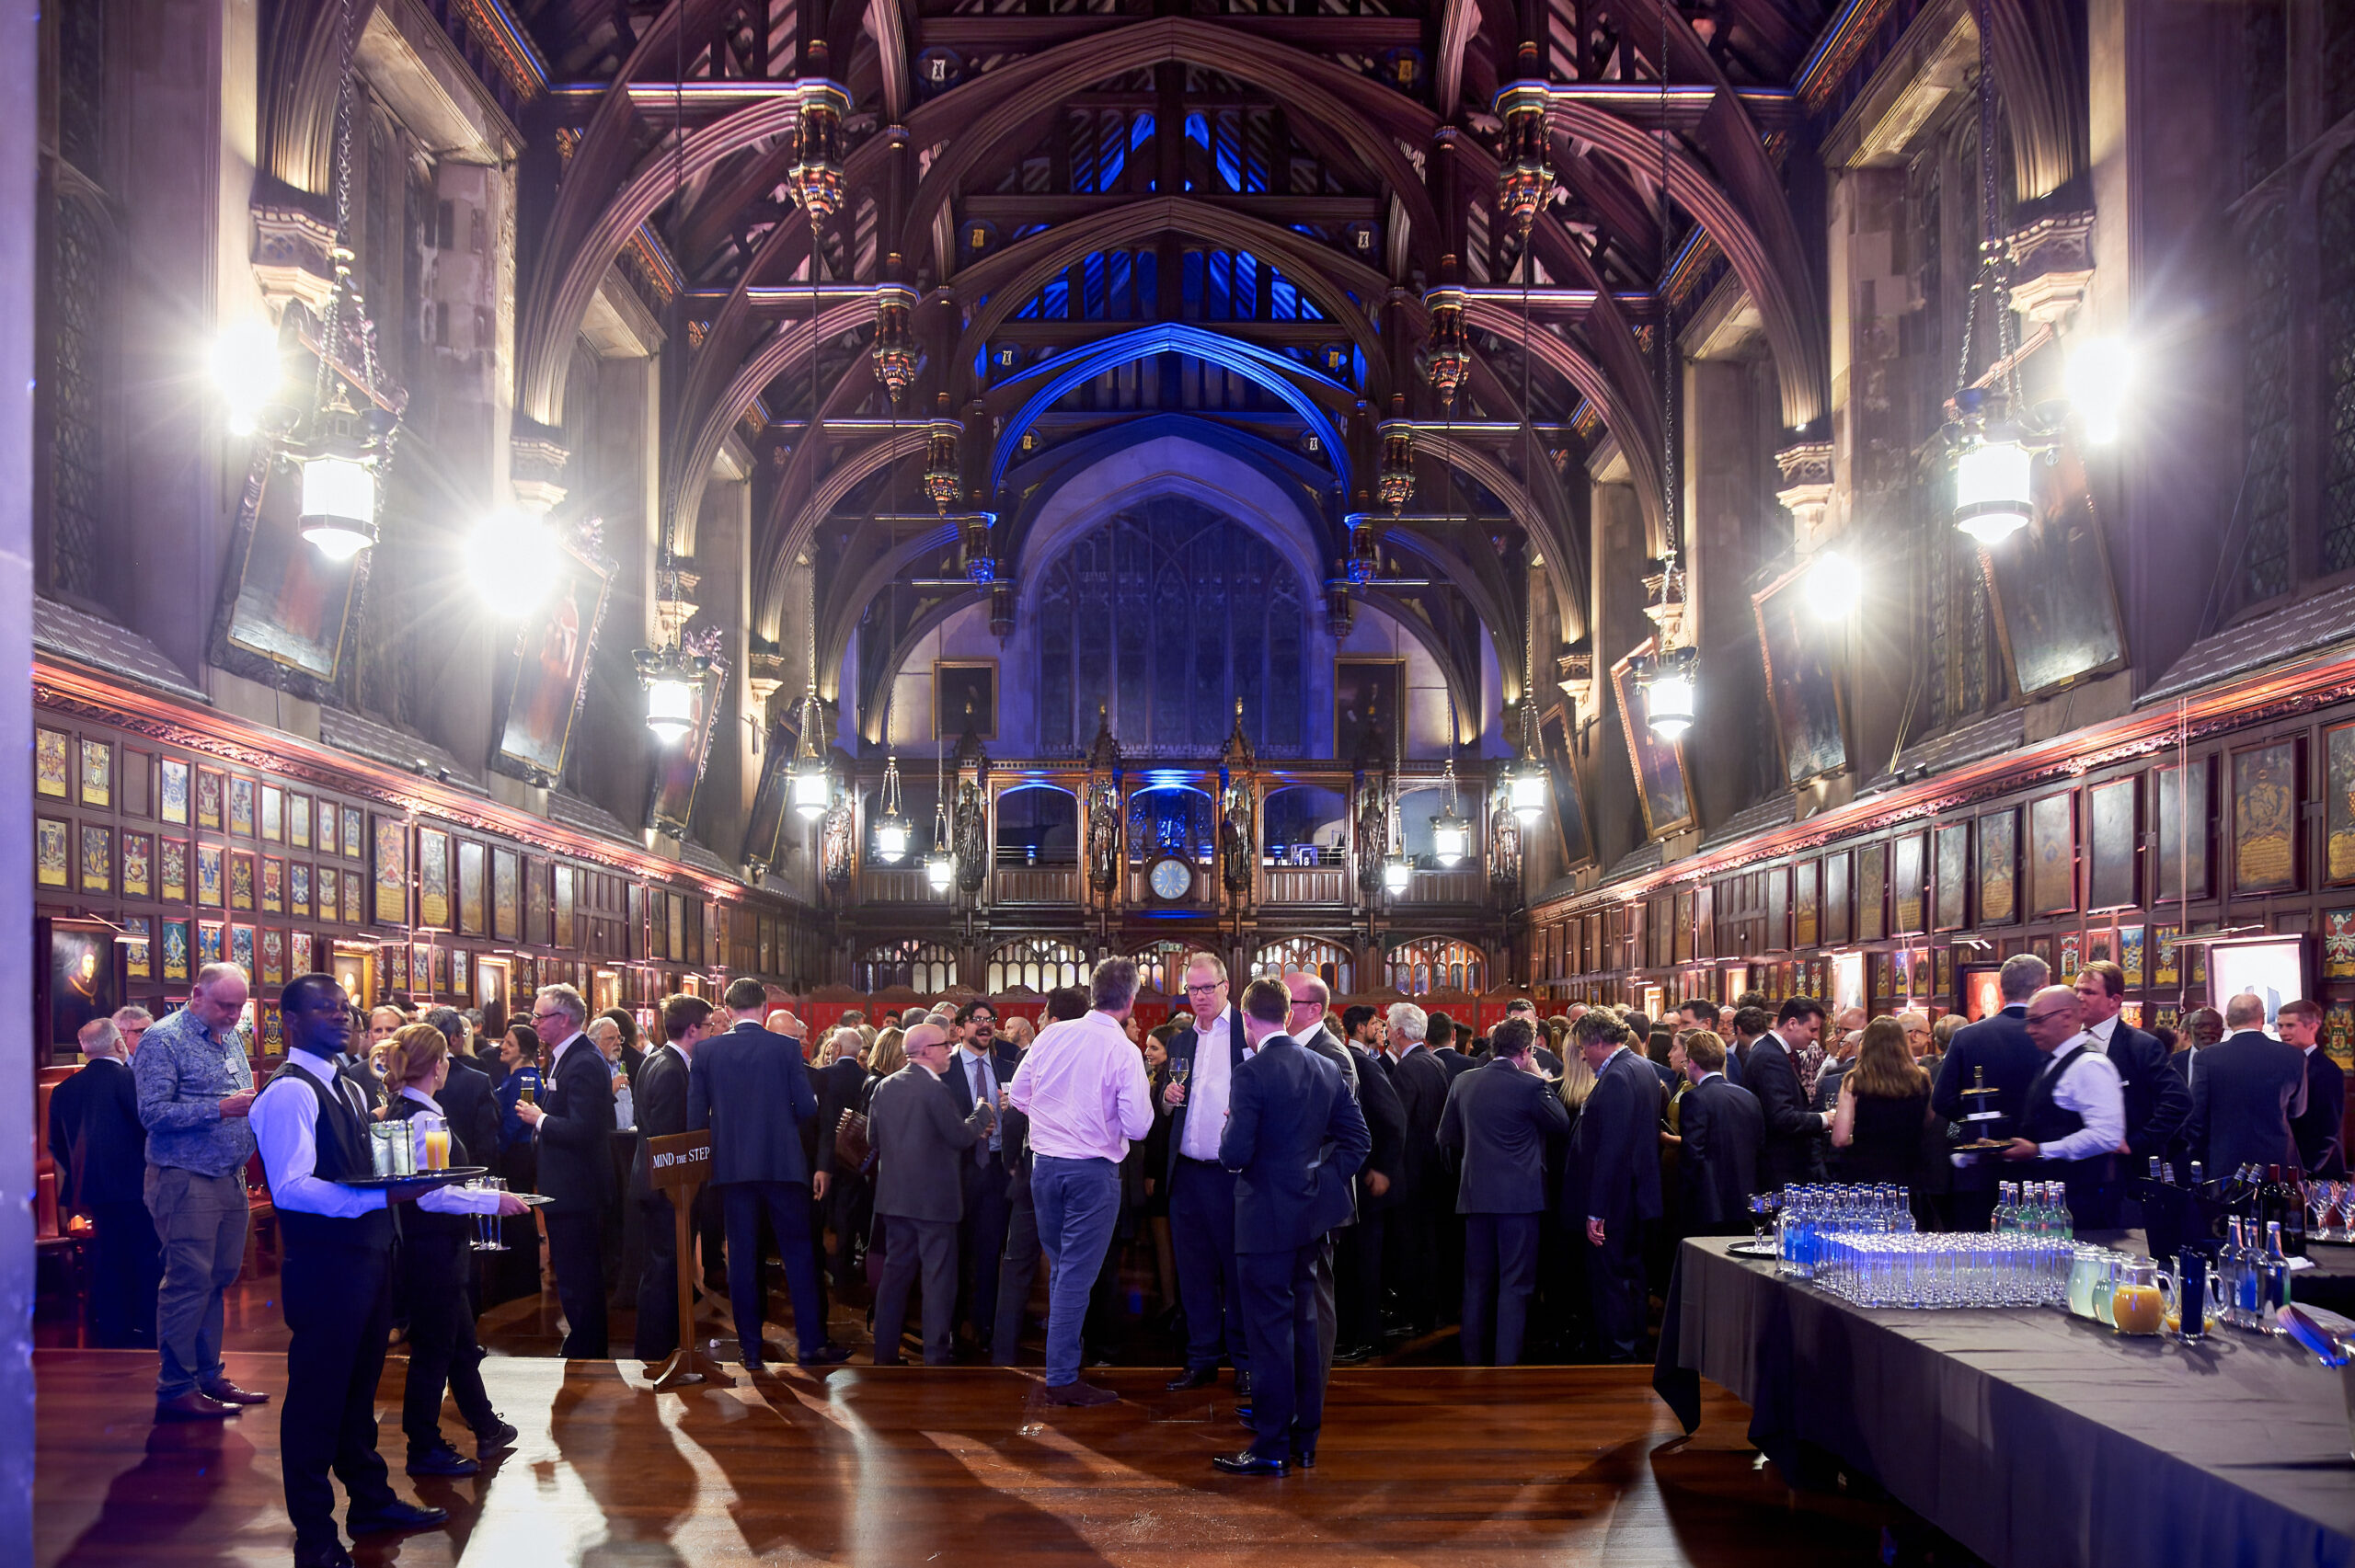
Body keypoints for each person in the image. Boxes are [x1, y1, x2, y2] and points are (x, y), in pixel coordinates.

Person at [252, 974, 523, 1568]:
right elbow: (291, 1187)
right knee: (316, 1403)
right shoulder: (289, 1092)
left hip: (370, 1257)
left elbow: (367, 1166)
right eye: (325, 1008)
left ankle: (370, 1500)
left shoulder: (348, 1084)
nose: (342, 1016)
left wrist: (404, 1186)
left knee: (357, 1396)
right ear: (290, 1020)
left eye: (344, 1006)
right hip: (325, 1264)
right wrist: (380, 1199)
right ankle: (315, 1534)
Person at [1212, 979, 1370, 1476]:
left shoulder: (1252, 1072)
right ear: (1284, 1015)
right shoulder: (1326, 1067)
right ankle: (1305, 1442)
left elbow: (1235, 1154)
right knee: (1307, 1330)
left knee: (1268, 1334)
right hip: (1312, 1218)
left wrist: (1231, 1126)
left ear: (1246, 1019)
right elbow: (1358, 1140)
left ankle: (1272, 1445)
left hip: (1263, 1221)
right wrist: (1319, 1182)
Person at [377, 1022, 521, 1477]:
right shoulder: (425, 1119)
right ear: (438, 1066)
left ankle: (485, 1427)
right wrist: (491, 1200)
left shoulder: (401, 1110)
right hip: (434, 1249)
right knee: (436, 1350)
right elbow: (433, 1194)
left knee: (458, 1345)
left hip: (420, 1247)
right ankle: (423, 1446)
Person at [1009, 959, 1155, 1405]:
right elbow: (1139, 1126)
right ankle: (1062, 1378)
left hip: (1045, 1167)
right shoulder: (1123, 1050)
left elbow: (1017, 1096)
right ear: (1130, 1001)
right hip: (1091, 1172)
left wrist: (1058, 1119)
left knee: (1062, 1269)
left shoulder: (1053, 1033)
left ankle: (1063, 1366)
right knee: (1074, 1275)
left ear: (1092, 994)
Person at [133, 962, 267, 1420]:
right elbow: (151, 1114)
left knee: (218, 1280)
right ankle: (176, 1388)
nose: (234, 1015)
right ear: (197, 994)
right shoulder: (162, 1040)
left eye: (239, 1006)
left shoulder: (227, 1034)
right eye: (226, 1005)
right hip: (184, 1177)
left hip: (228, 1176)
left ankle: (208, 1375)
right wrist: (220, 1109)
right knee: (187, 1283)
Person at [691, 978, 845, 1371]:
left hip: (732, 1169)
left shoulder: (706, 1051)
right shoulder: (786, 1047)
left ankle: (751, 1349)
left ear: (727, 1011)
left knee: (742, 1259)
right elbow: (808, 1109)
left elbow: (695, 1118)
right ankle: (810, 1344)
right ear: (763, 1007)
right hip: (782, 1165)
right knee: (798, 1255)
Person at [1436, 1016, 1569, 1367]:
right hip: (1520, 1200)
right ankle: (1506, 1365)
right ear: (1527, 1051)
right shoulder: (1530, 1085)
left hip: (1474, 1195)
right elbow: (1561, 1124)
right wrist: (1541, 1079)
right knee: (1515, 1283)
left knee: (1476, 1283)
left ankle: (1472, 1361)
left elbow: (1445, 1137)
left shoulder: (1463, 1082)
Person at [867, 1021, 995, 1367]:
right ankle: (937, 1358)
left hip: (894, 1200)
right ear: (925, 1051)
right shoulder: (934, 1089)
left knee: (894, 1280)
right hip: (935, 1203)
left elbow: (872, 1141)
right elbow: (959, 1136)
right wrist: (983, 1110)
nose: (950, 1050)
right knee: (938, 1282)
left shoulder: (884, 1087)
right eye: (944, 1045)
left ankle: (884, 1354)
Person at [1159, 952, 1251, 1396]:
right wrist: (1166, 1099)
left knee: (1237, 1273)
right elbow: (1167, 1108)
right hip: (1187, 1176)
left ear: (1226, 987)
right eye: (1192, 989)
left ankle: (1245, 1364)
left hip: (1232, 1174)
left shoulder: (1246, 1034)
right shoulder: (1180, 1042)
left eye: (1207, 988)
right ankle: (1201, 1360)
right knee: (1193, 1274)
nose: (1199, 997)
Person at [511, 984, 615, 1358]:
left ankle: (588, 1350)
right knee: (570, 1274)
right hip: (564, 1185)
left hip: (578, 1188)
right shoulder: (561, 1057)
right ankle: (583, 1342)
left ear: (564, 1019)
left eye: (540, 1016)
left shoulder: (584, 1061)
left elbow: (585, 1130)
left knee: (580, 1275)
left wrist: (541, 1120)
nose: (534, 1022)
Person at [50, 1016, 163, 1347]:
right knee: (146, 1254)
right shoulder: (131, 1080)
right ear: (118, 1044)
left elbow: (56, 1144)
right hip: (138, 1184)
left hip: (91, 1190)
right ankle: (147, 1326)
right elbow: (150, 1128)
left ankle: (112, 1327)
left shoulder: (63, 1090)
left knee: (107, 1255)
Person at [994, 987, 1092, 1365]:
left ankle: (1004, 1352)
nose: (1037, 1022)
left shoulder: (1038, 1050)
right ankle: (1073, 1354)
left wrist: (1012, 1163)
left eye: (1041, 1014)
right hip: (1083, 1171)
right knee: (1074, 1266)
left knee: (1017, 1261)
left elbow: (1015, 1112)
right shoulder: (1096, 1053)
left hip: (1037, 1167)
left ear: (1052, 1017)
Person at [1564, 1011, 1662, 1361]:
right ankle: (1632, 1348)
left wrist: (1596, 1211)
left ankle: (1620, 1358)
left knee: (1612, 1283)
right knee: (1633, 1279)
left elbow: (1612, 1150)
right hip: (1637, 1199)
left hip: (1617, 1204)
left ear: (1598, 1042)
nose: (1582, 1055)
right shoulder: (1642, 1066)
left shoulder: (1618, 1076)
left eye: (1582, 1047)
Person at [1933, 955, 2049, 1231]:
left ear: (2002, 988)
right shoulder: (2054, 1035)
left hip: (1980, 1167)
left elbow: (1942, 1101)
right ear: (2041, 989)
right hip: (2042, 1169)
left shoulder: (1967, 1036)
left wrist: (1977, 1129)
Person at [2002, 987, 2127, 1231]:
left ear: (2066, 1017)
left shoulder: (2090, 1065)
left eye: (2037, 1021)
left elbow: (2107, 1135)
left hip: (2081, 1202)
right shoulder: (2053, 1060)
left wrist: (2040, 1150)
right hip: (2052, 1201)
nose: (2030, 1030)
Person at [631, 994, 709, 1362]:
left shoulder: (659, 1061)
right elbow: (666, 1139)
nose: (712, 1032)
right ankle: (657, 1353)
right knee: (663, 1271)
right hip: (667, 1190)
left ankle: (667, 1347)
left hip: (663, 1187)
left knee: (663, 1268)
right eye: (709, 1026)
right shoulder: (671, 1070)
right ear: (692, 1030)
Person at [1334, 1004, 1406, 1363]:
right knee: (1351, 1264)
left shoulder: (1362, 1063)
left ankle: (1367, 1338)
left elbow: (1393, 1119)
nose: (1379, 1029)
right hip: (1355, 1184)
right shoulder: (1354, 1059)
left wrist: (1384, 1169)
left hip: (1368, 1185)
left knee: (1364, 1265)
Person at [946, 999, 1017, 1355]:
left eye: (990, 1020)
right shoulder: (945, 1068)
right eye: (977, 1020)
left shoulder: (1009, 1063)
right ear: (960, 1028)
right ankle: (954, 1327)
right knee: (956, 1252)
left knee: (991, 1252)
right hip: (958, 1171)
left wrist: (1014, 1109)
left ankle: (985, 1326)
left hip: (997, 1171)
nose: (985, 1025)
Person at [2070, 962, 2189, 1168]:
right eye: (2076, 990)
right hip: (2073, 1166)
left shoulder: (2142, 1046)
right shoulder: (2067, 1041)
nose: (2079, 997)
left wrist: (2138, 1142)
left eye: (2088, 992)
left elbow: (2178, 1101)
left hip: (2123, 1169)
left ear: (2114, 1001)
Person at [1383, 1002, 1453, 1337]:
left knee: (1412, 1246)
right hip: (1435, 1170)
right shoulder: (1435, 1061)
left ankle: (1416, 1316)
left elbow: (1397, 1126)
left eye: (1387, 1027)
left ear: (1397, 1032)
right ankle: (1430, 1312)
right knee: (1430, 1244)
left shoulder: (1408, 1068)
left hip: (1412, 1174)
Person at [2188, 992, 2309, 1178]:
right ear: (2262, 1019)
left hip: (2226, 1162)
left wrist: (2195, 1156)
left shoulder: (2207, 1058)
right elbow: (2298, 1110)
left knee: (2228, 1208)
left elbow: (2197, 1116)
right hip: (2278, 1162)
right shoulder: (2293, 1056)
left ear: (2227, 1020)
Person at [1831, 1018, 1935, 1189]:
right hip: (1910, 1170)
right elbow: (1929, 1121)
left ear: (1866, 1045)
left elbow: (1840, 1139)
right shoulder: (1922, 1078)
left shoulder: (1854, 1081)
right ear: (1903, 1044)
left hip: (1865, 1173)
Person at [1676, 1032, 1762, 1236]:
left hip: (1709, 1205)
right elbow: (1760, 1147)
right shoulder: (1749, 1097)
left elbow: (1692, 1156)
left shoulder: (1694, 1098)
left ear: (1693, 1062)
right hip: (1746, 1203)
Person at [1745, 997, 1832, 1194]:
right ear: (1792, 1023)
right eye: (1812, 1029)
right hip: (1777, 1165)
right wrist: (1823, 1119)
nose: (1816, 1037)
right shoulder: (1770, 1056)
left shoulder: (1779, 1052)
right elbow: (1781, 1117)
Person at [425, 1007, 500, 1196]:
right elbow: (487, 1140)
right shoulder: (477, 1080)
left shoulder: (414, 1078)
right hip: (469, 1176)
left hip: (423, 1180)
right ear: (454, 1038)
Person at [2283, 1000, 2349, 1178]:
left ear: (2312, 1027)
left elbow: (2329, 1128)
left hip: (2319, 1171)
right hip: (2290, 1166)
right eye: (2280, 1026)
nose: (2283, 1032)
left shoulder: (2327, 1070)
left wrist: (2309, 1170)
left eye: (2290, 1026)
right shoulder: (2282, 1065)